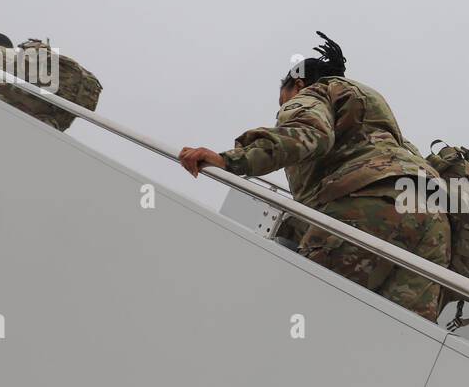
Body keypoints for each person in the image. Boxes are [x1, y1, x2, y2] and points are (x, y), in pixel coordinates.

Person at [179, 32, 450, 321]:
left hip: (371, 204)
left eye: (282, 102)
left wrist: (229, 160)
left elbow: (311, 135)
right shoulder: (376, 118)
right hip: (434, 222)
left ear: (297, 84)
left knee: (306, 314)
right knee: (396, 339)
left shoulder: (316, 93)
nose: (282, 110)